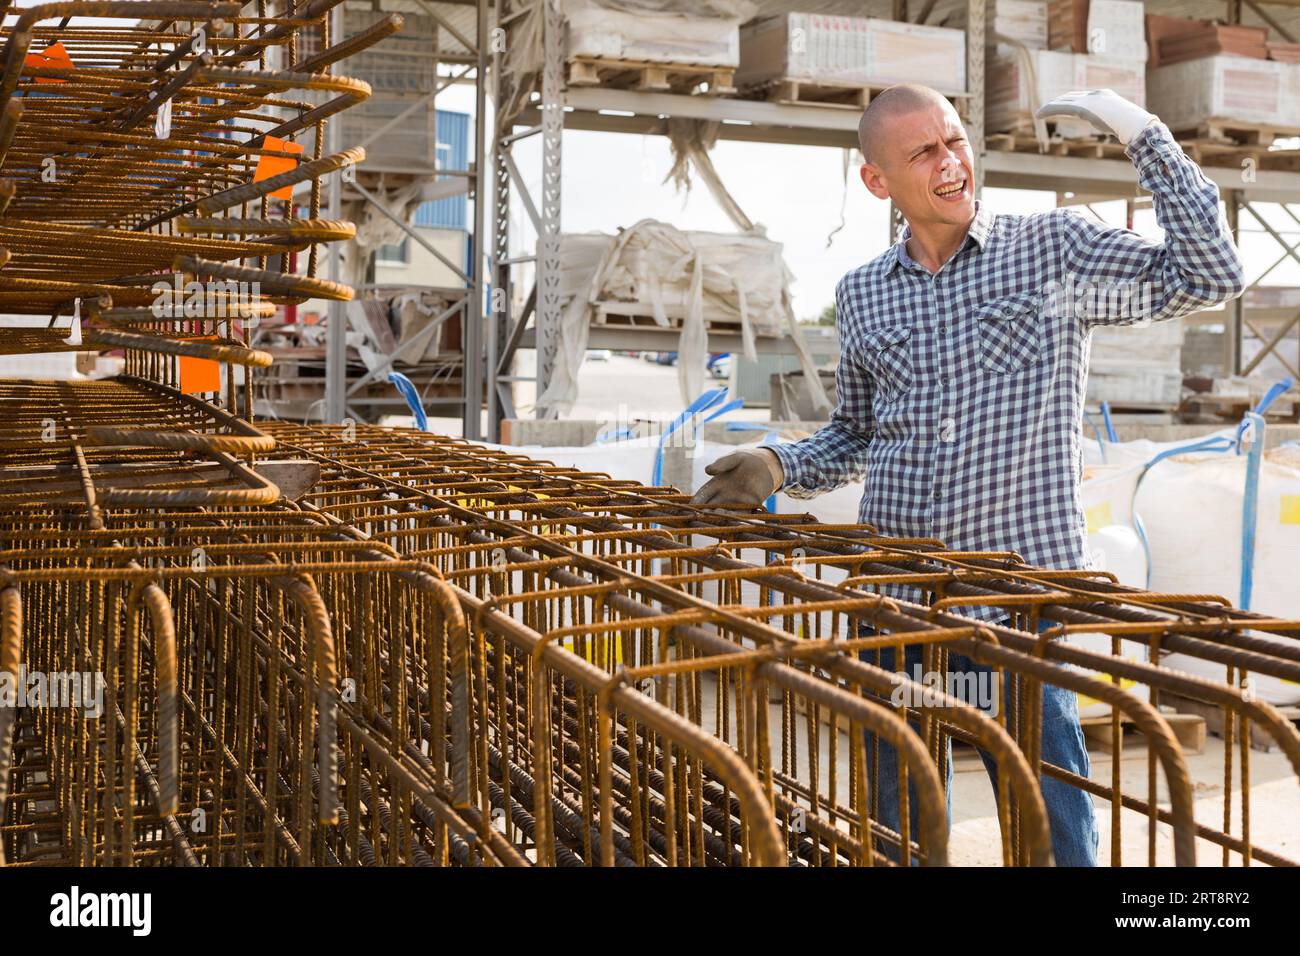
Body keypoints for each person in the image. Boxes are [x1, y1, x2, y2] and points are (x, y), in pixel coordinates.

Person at [691, 85, 1245, 866]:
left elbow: (1210, 276)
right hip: (896, 610)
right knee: (901, 824)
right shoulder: (863, 294)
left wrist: (1144, 134)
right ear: (877, 182)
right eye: (923, 152)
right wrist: (778, 461)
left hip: (1014, 610)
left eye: (954, 141)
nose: (951, 163)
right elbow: (856, 432)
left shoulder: (1052, 255)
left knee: (1047, 825)